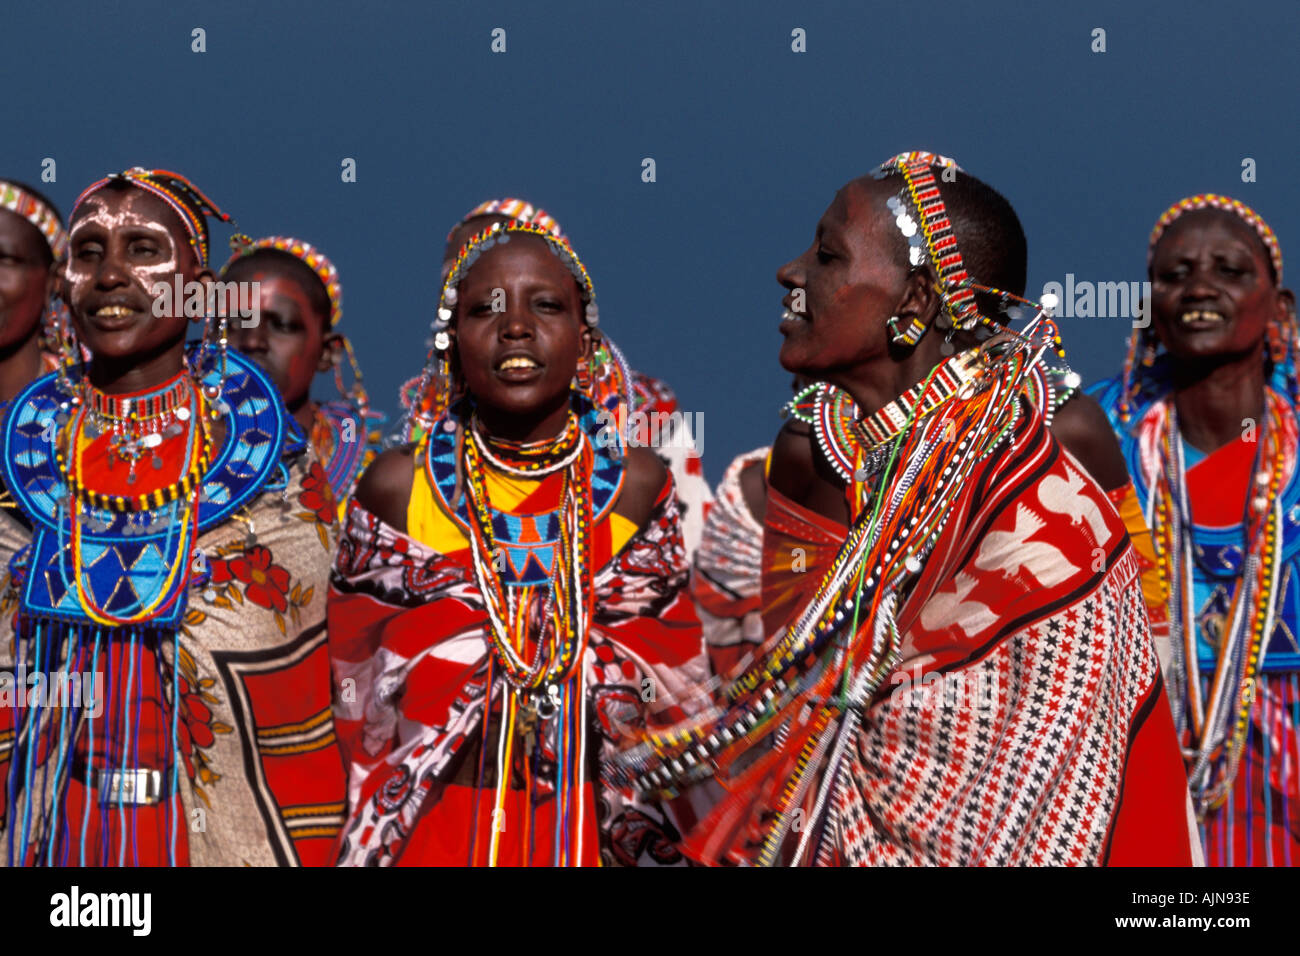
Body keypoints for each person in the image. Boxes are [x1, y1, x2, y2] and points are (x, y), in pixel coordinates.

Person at [611, 151, 1199, 866]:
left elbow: (1020, 801)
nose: (790, 273)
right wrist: (694, 749)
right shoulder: (815, 452)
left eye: (827, 256)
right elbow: (794, 710)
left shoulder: (1047, 494)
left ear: (915, 302)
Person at [329, 218, 708, 866]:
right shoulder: (397, 487)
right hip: (439, 829)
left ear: (586, 340)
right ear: (450, 342)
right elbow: (353, 703)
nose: (516, 326)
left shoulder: (638, 485)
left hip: (597, 829)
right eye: (486, 309)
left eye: (547, 304)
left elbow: (679, 683)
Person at [0, 168, 344, 866]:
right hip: (56, 828)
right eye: (89, 253)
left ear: (199, 286)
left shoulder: (270, 462)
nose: (111, 276)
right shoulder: (24, 451)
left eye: (143, 251)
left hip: (205, 830)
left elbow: (295, 631)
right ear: (64, 283)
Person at [1089, 193, 1300, 866]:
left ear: (1281, 307)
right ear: (1149, 306)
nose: (1200, 287)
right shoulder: (1095, 441)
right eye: (1174, 274)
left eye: (1230, 271)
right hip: (1127, 762)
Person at [402, 198, 713, 558]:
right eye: (470, 290)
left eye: (540, 301)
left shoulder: (646, 414)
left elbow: (689, 554)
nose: (513, 323)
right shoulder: (411, 441)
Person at [224, 236, 379, 516]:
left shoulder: (376, 481)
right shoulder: (162, 454)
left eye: (281, 325)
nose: (252, 341)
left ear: (326, 354)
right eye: (233, 324)